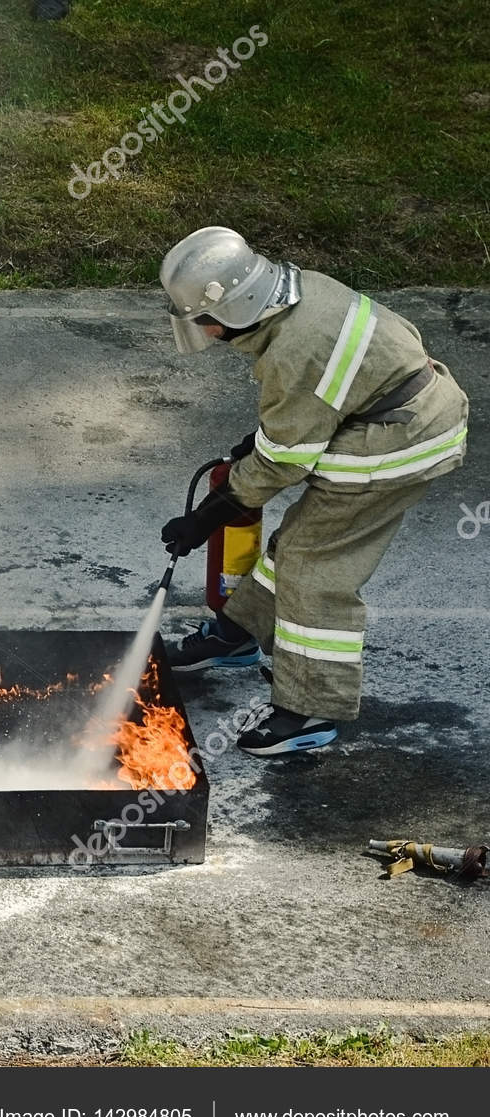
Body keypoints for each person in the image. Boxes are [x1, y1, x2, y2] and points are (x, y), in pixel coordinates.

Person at [156, 226, 469, 756]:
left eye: (206, 322)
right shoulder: (304, 289)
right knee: (301, 542)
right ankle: (239, 634)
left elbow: (283, 462)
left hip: (400, 441)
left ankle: (311, 710)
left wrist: (208, 517)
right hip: (392, 413)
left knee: (314, 568)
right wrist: (261, 443)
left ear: (235, 307)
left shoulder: (293, 353)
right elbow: (321, 403)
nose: (206, 334)